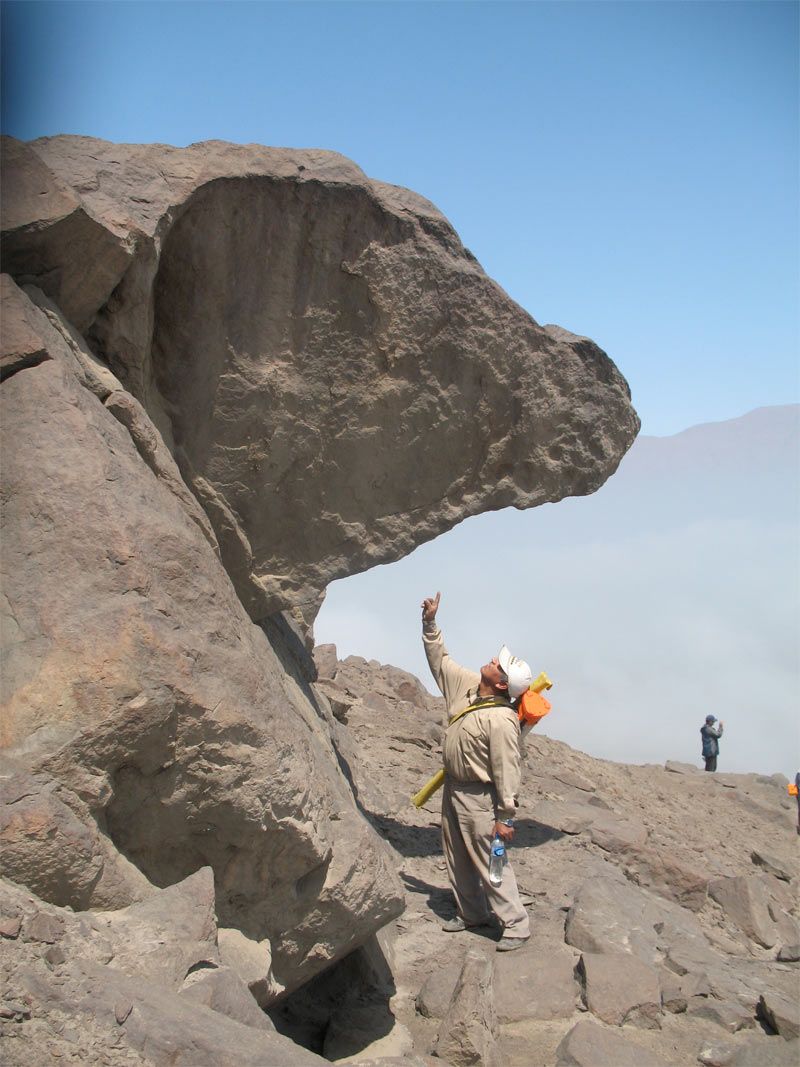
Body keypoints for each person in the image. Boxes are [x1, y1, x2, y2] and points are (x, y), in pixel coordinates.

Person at [421, 591, 532, 952]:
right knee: (457, 855)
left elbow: (507, 769)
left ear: (502, 684)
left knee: (490, 860)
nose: (492, 660)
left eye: (499, 665)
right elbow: (441, 663)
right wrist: (430, 624)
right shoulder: (469, 687)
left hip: (479, 798)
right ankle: (472, 914)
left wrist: (505, 816)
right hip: (454, 789)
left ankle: (516, 925)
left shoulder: (501, 719)